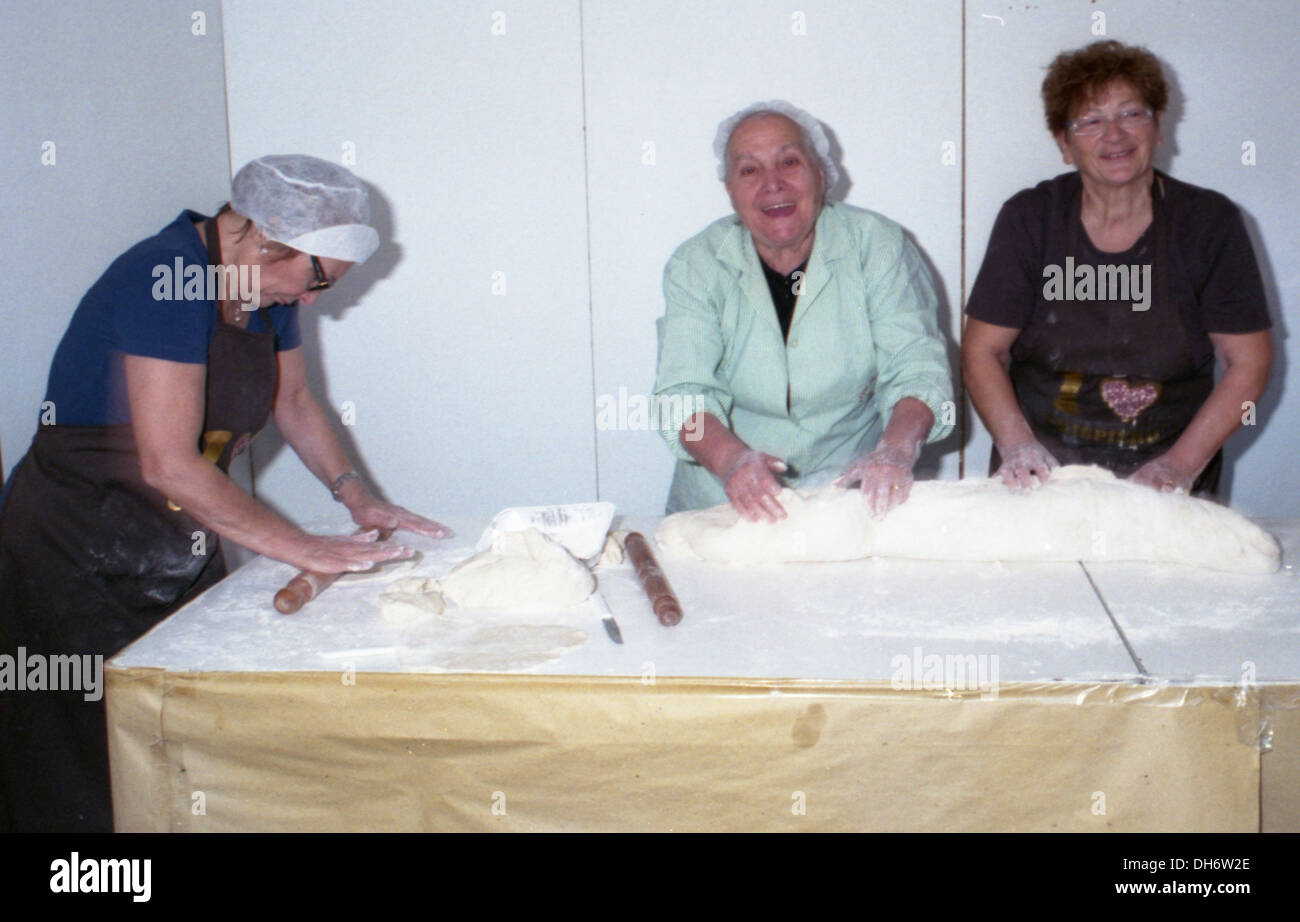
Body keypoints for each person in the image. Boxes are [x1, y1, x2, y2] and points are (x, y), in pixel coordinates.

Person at [0, 154, 450, 832]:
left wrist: (354, 496)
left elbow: (293, 399)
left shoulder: (261, 287)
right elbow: (169, 465)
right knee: (89, 770)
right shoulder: (167, 278)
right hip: (77, 545)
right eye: (315, 278)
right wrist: (303, 547)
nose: (311, 301)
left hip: (175, 533)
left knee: (184, 741)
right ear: (266, 240)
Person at [963, 40, 1271, 495]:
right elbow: (981, 352)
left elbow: (1249, 361)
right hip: (1039, 476)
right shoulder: (1030, 218)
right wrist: (1017, 446)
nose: (1115, 135)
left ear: (1158, 127)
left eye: (1132, 114)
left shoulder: (1211, 224)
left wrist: (1180, 466)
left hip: (1168, 478)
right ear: (1064, 144)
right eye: (1090, 121)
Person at [653, 100, 953, 521]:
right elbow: (683, 400)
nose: (772, 184)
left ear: (822, 173)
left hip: (852, 496)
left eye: (789, 162)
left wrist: (897, 448)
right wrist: (730, 461)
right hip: (722, 503)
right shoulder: (696, 264)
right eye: (749, 171)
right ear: (731, 192)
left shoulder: (879, 246)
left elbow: (918, 371)